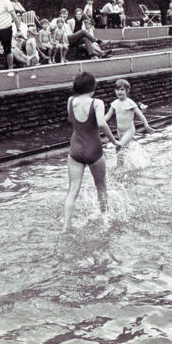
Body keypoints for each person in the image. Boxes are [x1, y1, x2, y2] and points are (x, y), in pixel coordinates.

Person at [63, 72, 121, 231]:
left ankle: (66, 226)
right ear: (93, 87)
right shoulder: (97, 103)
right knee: (101, 186)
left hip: (75, 149)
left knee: (72, 190)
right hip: (94, 148)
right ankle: (105, 220)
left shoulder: (70, 101)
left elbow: (72, 120)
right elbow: (101, 123)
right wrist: (114, 141)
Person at [105, 79, 155, 166]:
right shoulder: (114, 103)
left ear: (127, 91)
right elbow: (107, 116)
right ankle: (127, 164)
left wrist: (146, 125)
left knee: (118, 147)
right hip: (119, 131)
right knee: (123, 149)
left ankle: (119, 167)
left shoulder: (130, 103)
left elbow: (140, 114)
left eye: (122, 90)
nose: (119, 92)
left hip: (129, 130)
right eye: (117, 90)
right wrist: (97, 123)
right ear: (114, 91)